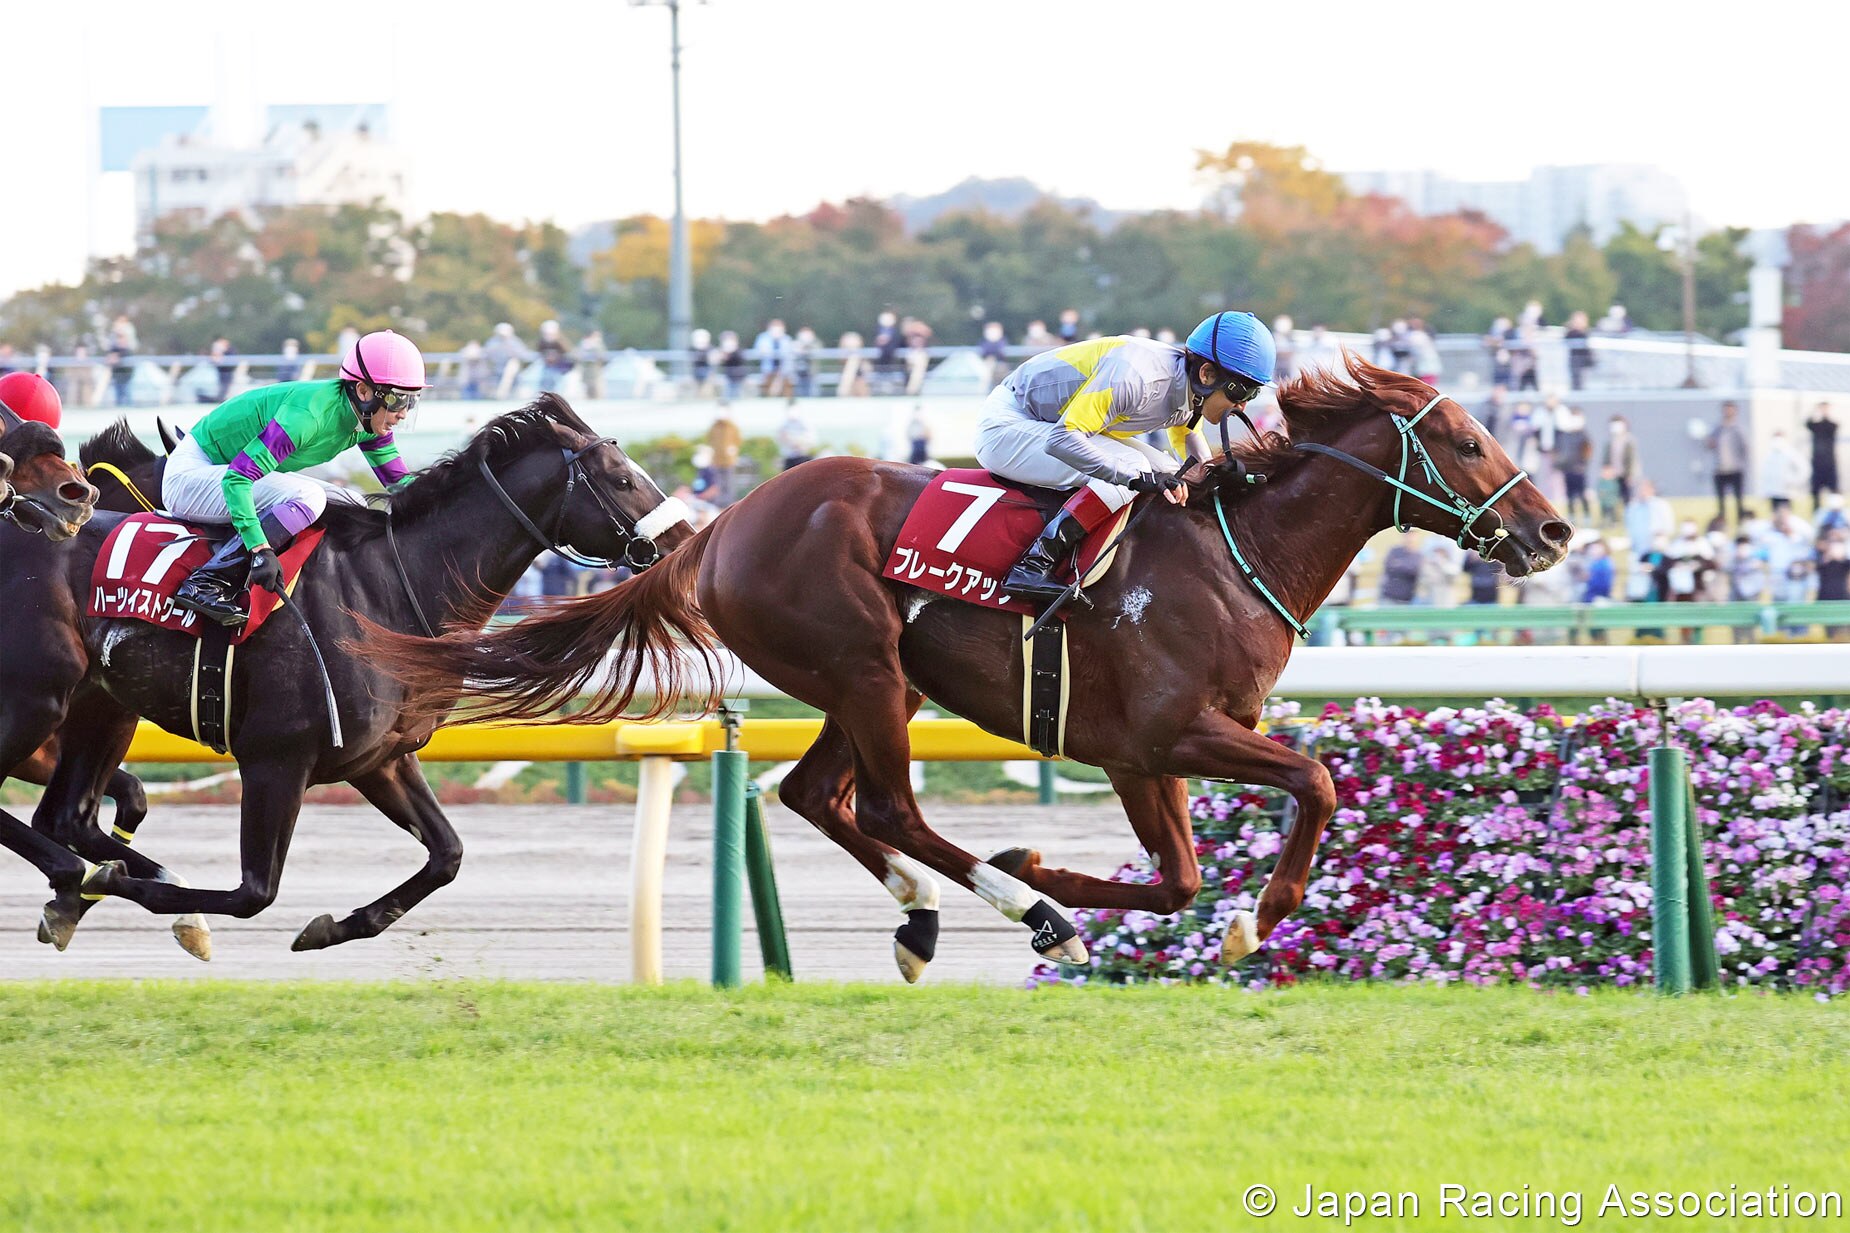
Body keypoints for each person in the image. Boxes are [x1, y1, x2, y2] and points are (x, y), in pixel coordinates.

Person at [974, 310, 1275, 603]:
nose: (1243, 406)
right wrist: (1138, 479)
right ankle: (1033, 565)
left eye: (1253, 395)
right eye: (1241, 392)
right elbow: (1062, 439)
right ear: (1206, 374)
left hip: (1056, 425)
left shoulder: (1191, 385)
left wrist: (1213, 473)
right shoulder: (1135, 379)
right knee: (1135, 470)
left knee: (1171, 473)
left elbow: (1185, 435)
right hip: (1010, 425)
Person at [165, 330, 428, 625]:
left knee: (354, 503)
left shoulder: (369, 421)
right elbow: (237, 479)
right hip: (191, 476)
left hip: (225, 475)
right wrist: (260, 549)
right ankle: (209, 580)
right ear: (364, 391)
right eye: (396, 400)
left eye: (411, 401)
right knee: (309, 497)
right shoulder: (308, 416)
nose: (403, 413)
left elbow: (403, 487)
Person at [1707, 402, 1749, 525]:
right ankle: (1722, 524)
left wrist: (1742, 464)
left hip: (1736, 469)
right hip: (1720, 470)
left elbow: (1745, 448)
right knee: (1721, 502)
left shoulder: (1738, 429)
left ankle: (1741, 524)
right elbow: (1709, 444)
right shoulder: (1717, 429)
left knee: (1739, 500)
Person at [1758, 430, 1806, 517]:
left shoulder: (1790, 453)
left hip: (1786, 492)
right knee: (1775, 515)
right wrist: (1764, 491)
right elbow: (1765, 475)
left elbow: (1804, 469)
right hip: (1773, 492)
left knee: (1786, 516)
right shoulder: (1769, 455)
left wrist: (1792, 481)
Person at [1807, 402, 1839, 512]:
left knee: (1834, 492)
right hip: (1817, 463)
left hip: (1829, 463)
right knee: (1816, 493)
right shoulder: (1816, 426)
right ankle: (1816, 514)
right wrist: (1815, 412)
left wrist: (1826, 414)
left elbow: (1834, 426)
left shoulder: (1831, 425)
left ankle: (1835, 515)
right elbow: (1808, 424)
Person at [537, 320, 573, 393]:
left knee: (558, 383)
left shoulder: (560, 341)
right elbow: (540, 352)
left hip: (560, 368)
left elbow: (567, 352)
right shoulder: (542, 342)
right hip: (547, 367)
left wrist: (556, 356)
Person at [1564, 310, 1595, 390]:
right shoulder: (1571, 332)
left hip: (1584, 360)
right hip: (1575, 359)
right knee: (1576, 380)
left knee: (1584, 380)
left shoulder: (1586, 332)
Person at [777, 405, 815, 470]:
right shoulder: (784, 425)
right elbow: (781, 438)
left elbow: (811, 439)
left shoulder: (805, 425)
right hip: (789, 457)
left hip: (803, 457)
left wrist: (800, 444)